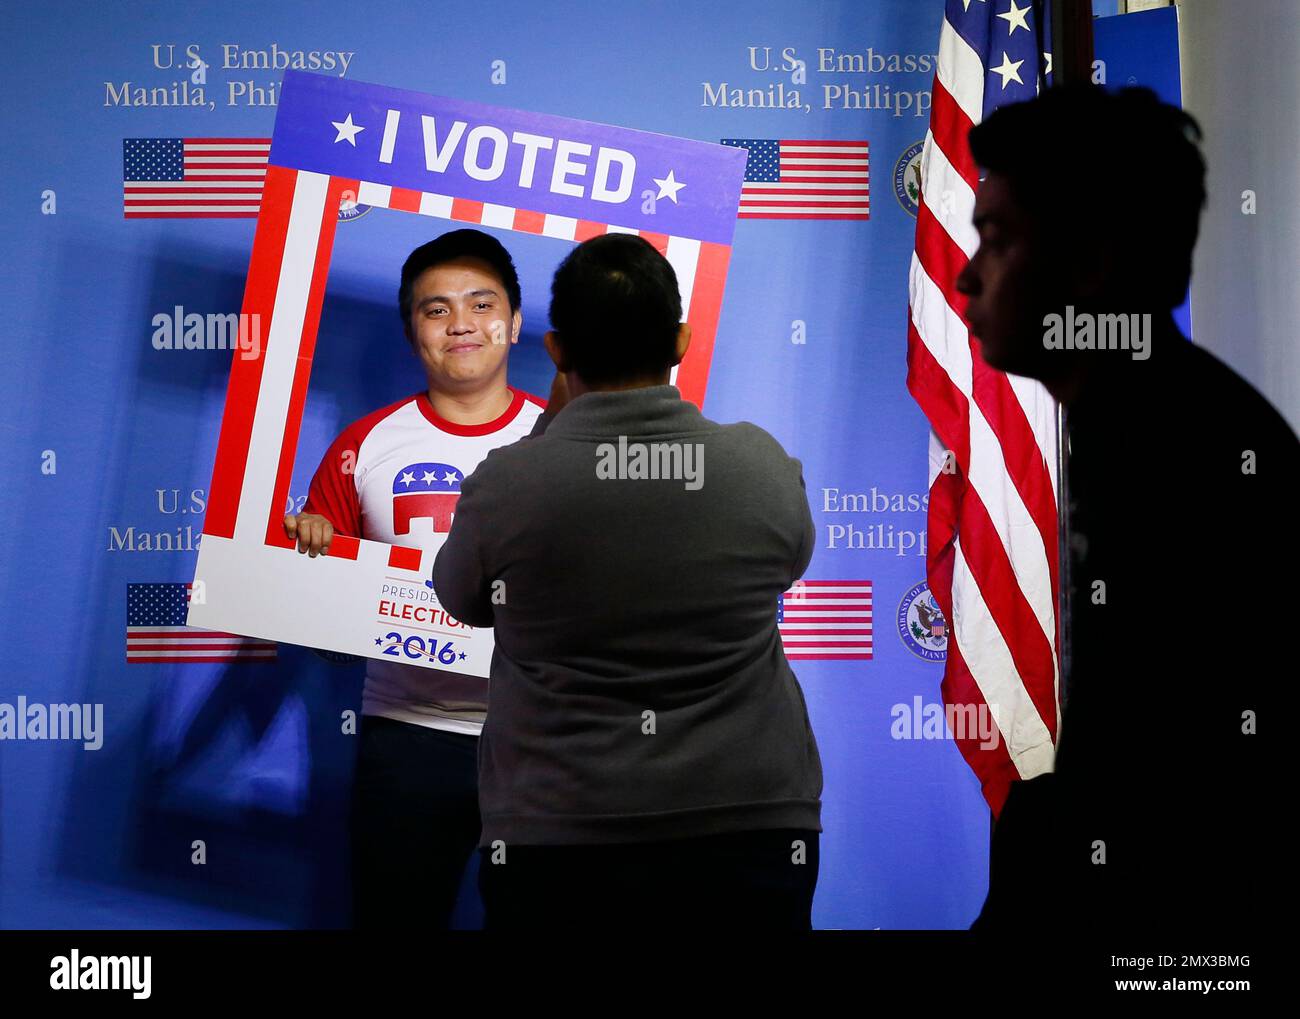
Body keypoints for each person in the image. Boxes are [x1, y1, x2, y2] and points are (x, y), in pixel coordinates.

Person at [956, 86, 1296, 934]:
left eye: (997, 240)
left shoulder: (1178, 452)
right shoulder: (1139, 416)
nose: (966, 275)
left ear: (1090, 262)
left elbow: (1171, 801)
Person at [432, 233, 823, 930]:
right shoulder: (763, 466)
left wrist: (545, 434)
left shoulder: (509, 483)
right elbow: (788, 565)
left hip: (557, 843)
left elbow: (460, 596)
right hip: (752, 834)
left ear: (555, 351)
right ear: (681, 340)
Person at [283, 228, 547, 929]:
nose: (461, 322)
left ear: (516, 322)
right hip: (405, 738)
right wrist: (310, 553)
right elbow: (319, 616)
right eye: (436, 309)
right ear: (412, 333)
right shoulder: (364, 444)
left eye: (482, 303)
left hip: (543, 743)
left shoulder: (565, 441)